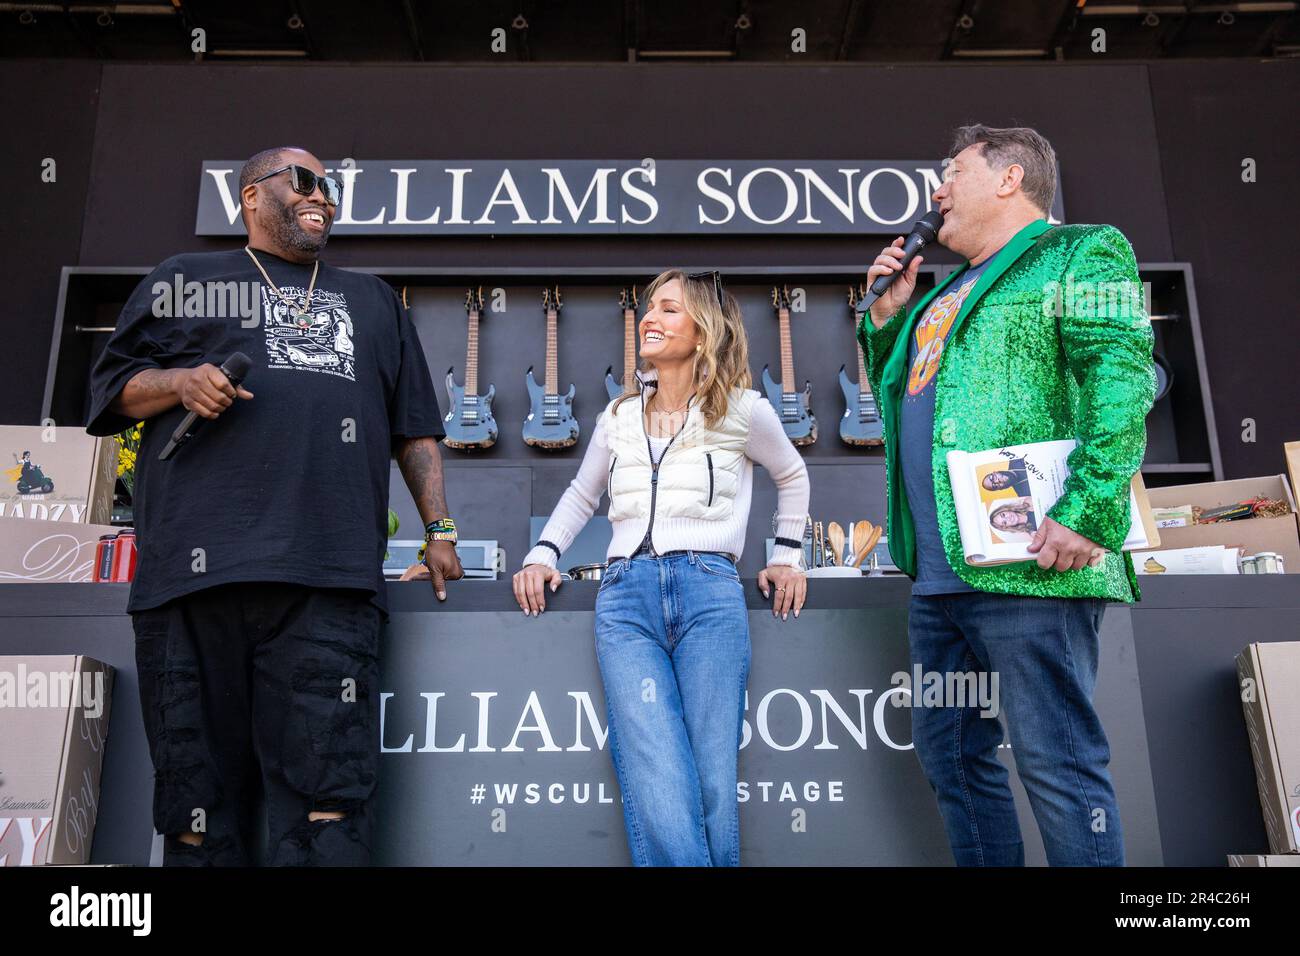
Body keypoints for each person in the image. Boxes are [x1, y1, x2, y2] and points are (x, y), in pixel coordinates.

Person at [85, 146, 463, 866]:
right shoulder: (187, 280)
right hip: (193, 579)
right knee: (196, 807)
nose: (322, 195)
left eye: (331, 185)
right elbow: (109, 395)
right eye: (303, 180)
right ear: (250, 197)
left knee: (331, 799)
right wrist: (181, 383)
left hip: (328, 582)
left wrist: (439, 529)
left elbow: (414, 431)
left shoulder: (375, 300)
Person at [858, 124, 1155, 866]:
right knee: (952, 757)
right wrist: (886, 318)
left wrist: (1089, 511)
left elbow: (1123, 379)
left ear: (1009, 176)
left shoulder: (1085, 251)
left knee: (1057, 763)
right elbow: (904, 398)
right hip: (939, 581)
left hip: (1032, 566)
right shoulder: (943, 294)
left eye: (951, 173)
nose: (938, 191)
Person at [512, 270, 810, 866]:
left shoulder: (744, 411)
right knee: (655, 768)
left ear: (704, 331)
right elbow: (580, 494)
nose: (650, 317)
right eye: (650, 308)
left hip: (709, 595)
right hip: (625, 601)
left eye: (669, 310)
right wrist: (543, 554)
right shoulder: (618, 415)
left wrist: (786, 554)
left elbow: (793, 476)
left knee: (710, 779)